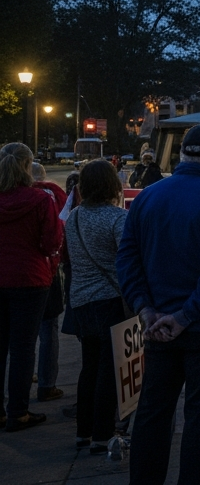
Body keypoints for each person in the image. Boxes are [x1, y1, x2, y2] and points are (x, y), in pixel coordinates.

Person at [116, 123, 200, 484]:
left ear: (182, 154)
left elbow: (126, 260)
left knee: (153, 414)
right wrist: (185, 316)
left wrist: (146, 309)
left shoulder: (148, 196)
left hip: (158, 327)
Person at [65, 159, 128, 457]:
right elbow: (127, 261)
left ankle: (83, 430)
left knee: (88, 367)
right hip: (110, 301)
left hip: (80, 301)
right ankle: (102, 434)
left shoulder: (74, 217)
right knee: (109, 370)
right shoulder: (118, 218)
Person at [0, 143, 62, 431]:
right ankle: (19, 411)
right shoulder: (40, 200)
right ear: (28, 166)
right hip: (30, 278)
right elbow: (51, 243)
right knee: (23, 347)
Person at [30, 162, 66, 404]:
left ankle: (14, 393)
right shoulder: (50, 195)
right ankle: (46, 384)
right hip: (42, 272)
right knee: (47, 329)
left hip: (7, 276)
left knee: (14, 337)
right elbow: (57, 234)